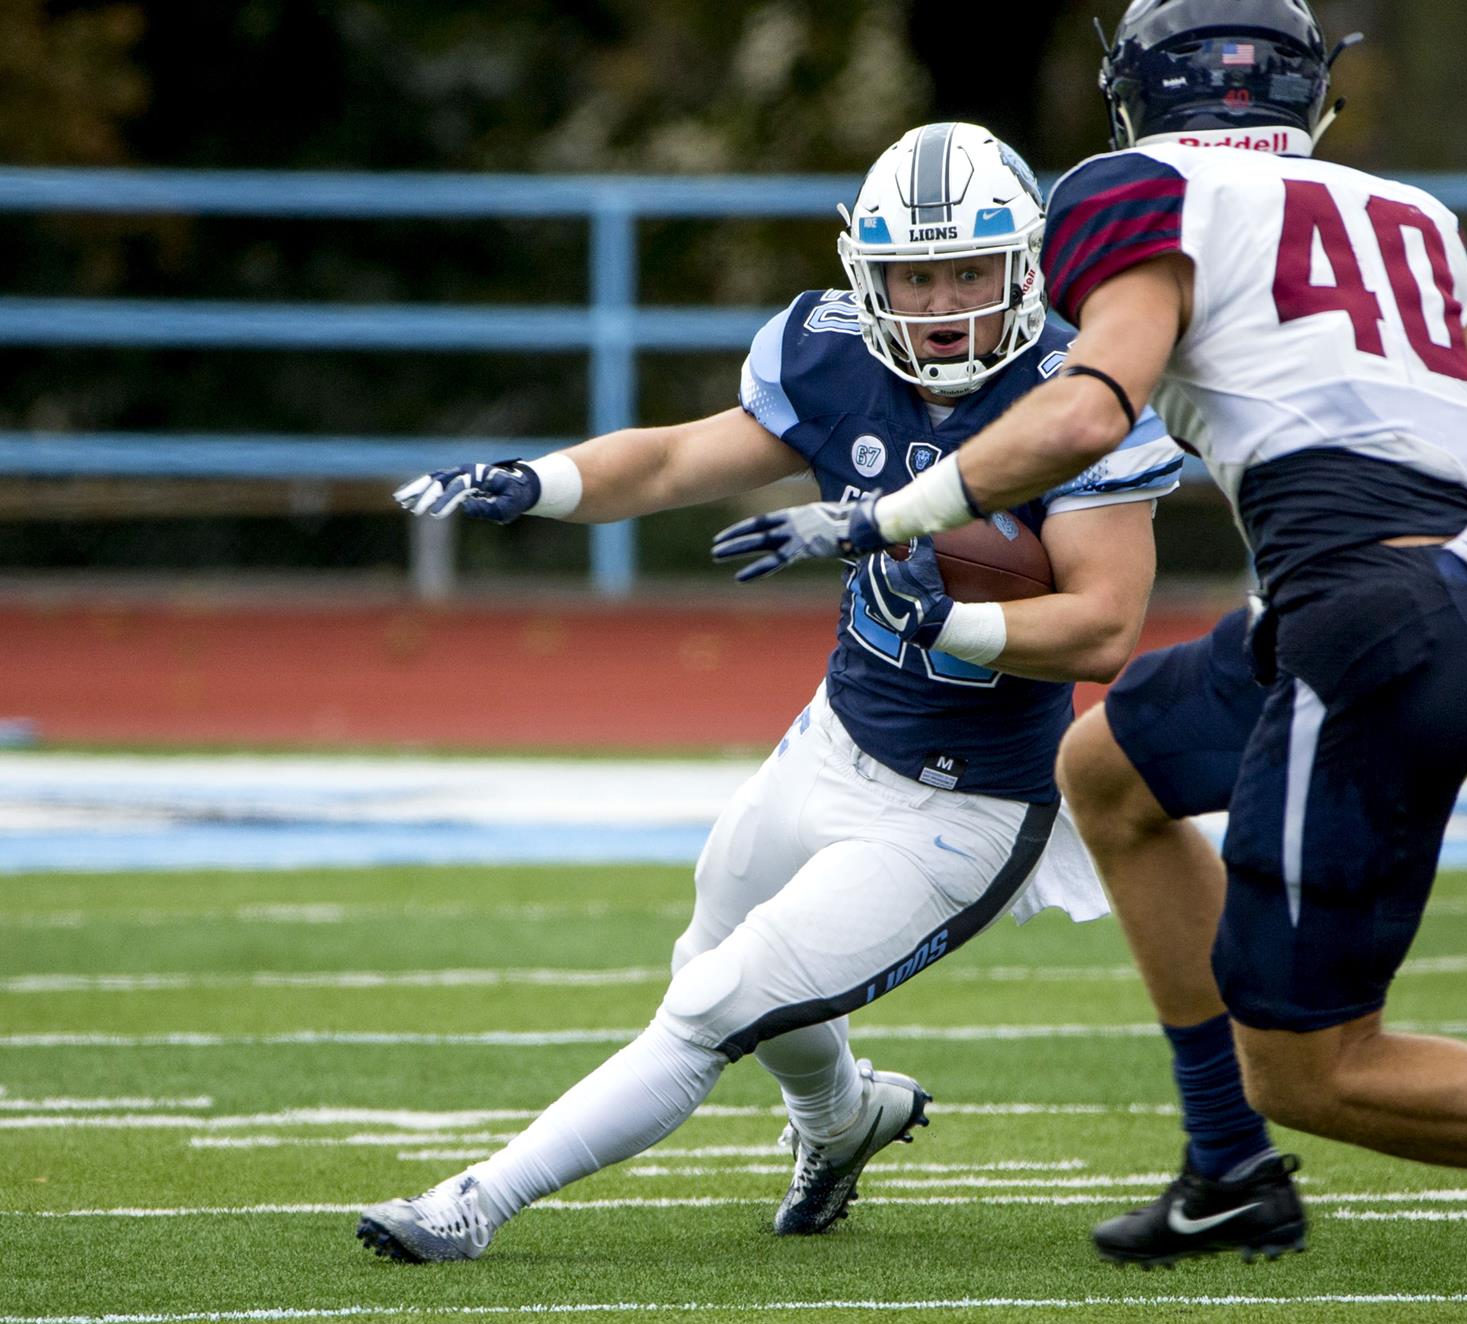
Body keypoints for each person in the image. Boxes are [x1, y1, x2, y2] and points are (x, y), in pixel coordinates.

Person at [710, 6, 1467, 1324]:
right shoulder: (1400, 221)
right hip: (1403, 604)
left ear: (1137, 98)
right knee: (1106, 764)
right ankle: (1225, 1166)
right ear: (1308, 97)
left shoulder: (1143, 192)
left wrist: (885, 514)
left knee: (1318, 1066)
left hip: (1369, 629)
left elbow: (1090, 406)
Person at [356, 121, 1185, 1263]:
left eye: (964, 270)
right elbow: (669, 460)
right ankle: (840, 1120)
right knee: (709, 957)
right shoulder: (831, 356)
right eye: (912, 273)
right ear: (867, 275)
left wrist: (949, 619)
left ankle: (472, 1204)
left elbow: (1103, 627)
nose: (939, 299)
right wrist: (534, 480)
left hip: (968, 802)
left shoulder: (1080, 403)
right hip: (832, 740)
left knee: (715, 1007)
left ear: (1023, 265)